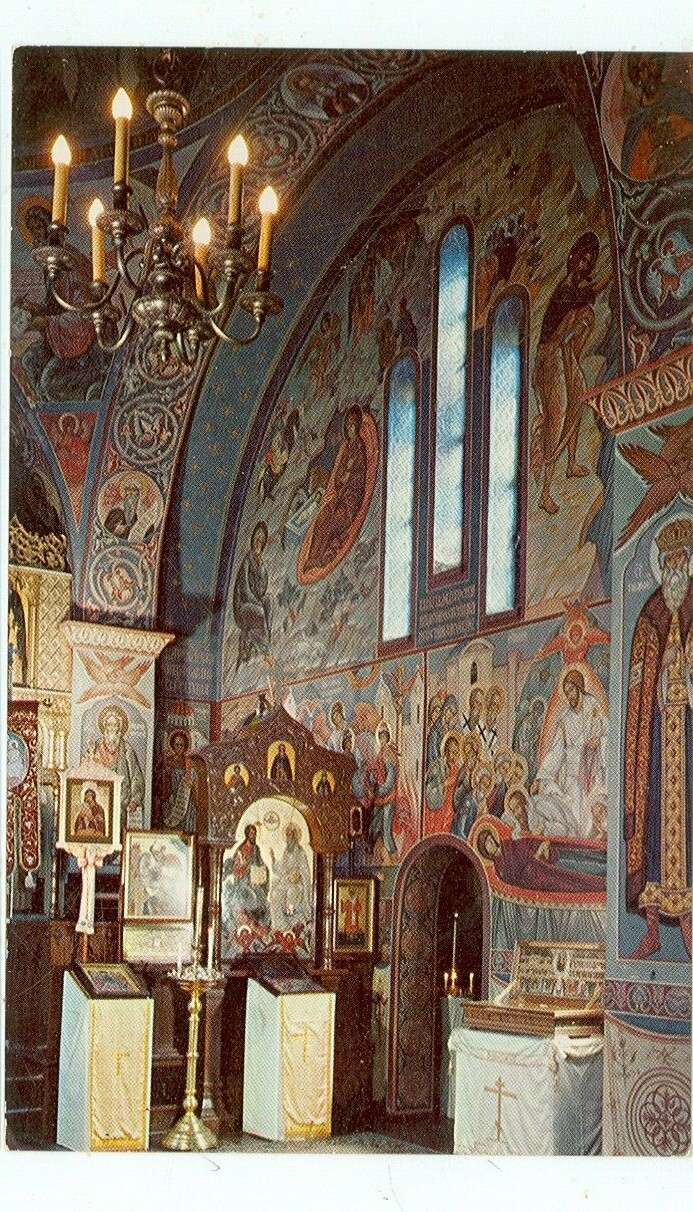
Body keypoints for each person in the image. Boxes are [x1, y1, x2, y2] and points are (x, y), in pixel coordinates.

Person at [624, 517, 693, 958]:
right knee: (651, 831)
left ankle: (688, 927)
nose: (673, 569)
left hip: (687, 736)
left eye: (679, 561)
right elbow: (637, 687)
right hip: (654, 744)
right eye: (666, 562)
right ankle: (652, 931)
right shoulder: (649, 613)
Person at [530, 231, 610, 515]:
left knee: (577, 400)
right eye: (582, 260)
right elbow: (587, 295)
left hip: (564, 354)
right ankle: (545, 492)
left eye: (590, 262)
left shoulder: (575, 290)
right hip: (550, 358)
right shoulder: (566, 289)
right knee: (559, 413)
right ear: (573, 259)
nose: (585, 266)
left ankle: (572, 461)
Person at [529, 669, 608, 838]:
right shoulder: (565, 719)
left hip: (593, 769)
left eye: (571, 690)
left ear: (579, 687)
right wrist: (540, 777)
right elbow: (556, 752)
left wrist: (599, 742)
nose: (569, 695)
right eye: (566, 692)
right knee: (574, 809)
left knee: (593, 811)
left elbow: (609, 732)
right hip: (572, 774)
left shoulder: (593, 705)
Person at [302, 405, 368, 574]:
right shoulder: (345, 449)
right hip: (340, 496)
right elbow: (338, 476)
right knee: (322, 517)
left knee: (334, 521)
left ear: (358, 426)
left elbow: (360, 479)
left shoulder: (359, 449)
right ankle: (312, 558)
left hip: (351, 500)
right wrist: (341, 479)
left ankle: (319, 558)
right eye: (348, 426)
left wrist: (350, 478)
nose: (350, 429)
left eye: (352, 426)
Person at [91, 704, 145, 830]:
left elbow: (136, 777)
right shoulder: (96, 748)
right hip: (100, 800)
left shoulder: (127, 750)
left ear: (119, 728)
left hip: (121, 803)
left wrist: (134, 800)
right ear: (104, 727)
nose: (112, 728)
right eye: (109, 725)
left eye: (114, 725)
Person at [233, 521, 273, 672]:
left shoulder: (258, 562)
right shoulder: (247, 561)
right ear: (252, 540)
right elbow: (244, 590)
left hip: (255, 602)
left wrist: (262, 568)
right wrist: (257, 602)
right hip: (243, 606)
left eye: (261, 541)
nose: (258, 542)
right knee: (260, 611)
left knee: (270, 601)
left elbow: (262, 590)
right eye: (257, 539)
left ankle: (264, 639)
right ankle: (266, 651)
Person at [222, 824, 270, 941]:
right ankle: (248, 928)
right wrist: (244, 866)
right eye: (252, 834)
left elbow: (260, 863)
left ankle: (261, 928)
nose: (254, 836)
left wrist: (264, 869)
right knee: (244, 900)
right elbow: (236, 868)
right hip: (243, 882)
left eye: (255, 834)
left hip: (256, 881)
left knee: (262, 900)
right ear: (247, 834)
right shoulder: (241, 849)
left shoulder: (256, 849)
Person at [269, 822, 312, 935]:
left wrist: (298, 874)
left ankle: (291, 924)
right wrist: (273, 859)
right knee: (276, 894)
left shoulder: (301, 852)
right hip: (286, 881)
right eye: (288, 834)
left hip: (297, 884)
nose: (290, 837)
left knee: (291, 894)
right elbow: (281, 869)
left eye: (293, 834)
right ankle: (278, 925)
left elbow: (305, 870)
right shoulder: (286, 852)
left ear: (296, 836)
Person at [368, 723, 398, 859]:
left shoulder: (389, 754)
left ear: (388, 738)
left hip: (387, 797)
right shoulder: (380, 753)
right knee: (373, 827)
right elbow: (376, 773)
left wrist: (381, 790)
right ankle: (370, 854)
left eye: (384, 737)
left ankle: (393, 856)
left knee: (386, 828)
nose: (382, 740)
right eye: (380, 738)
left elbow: (390, 777)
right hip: (378, 798)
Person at [158, 730, 197, 833]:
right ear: (172, 745)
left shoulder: (189, 762)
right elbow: (161, 781)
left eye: (181, 745)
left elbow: (193, 779)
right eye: (176, 745)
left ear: (185, 746)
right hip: (171, 797)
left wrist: (191, 785)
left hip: (185, 798)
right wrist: (166, 773)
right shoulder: (167, 761)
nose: (179, 747)